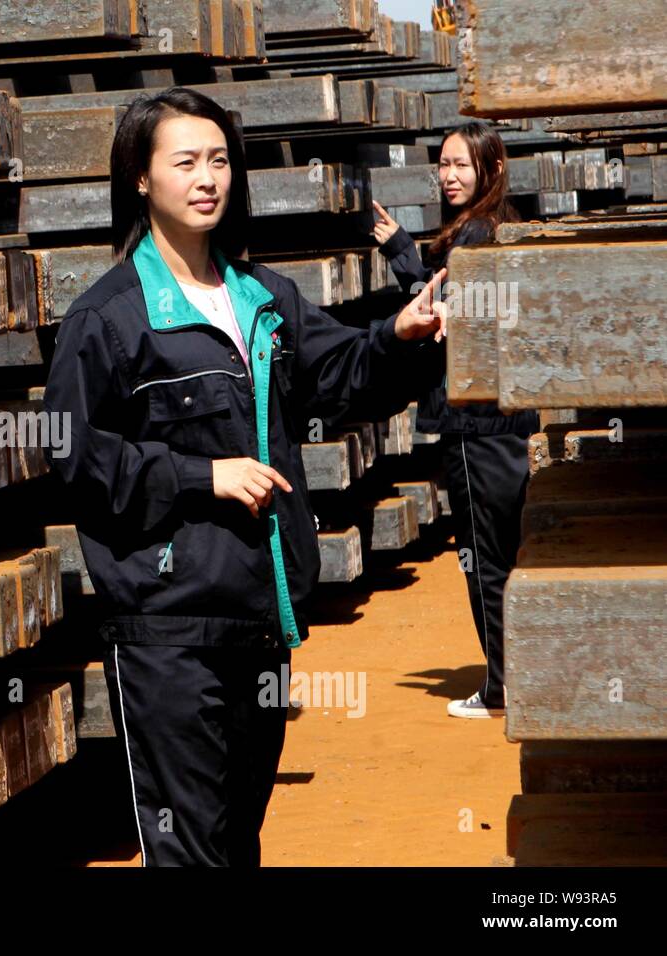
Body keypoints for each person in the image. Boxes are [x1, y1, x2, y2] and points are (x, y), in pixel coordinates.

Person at [42, 87, 449, 867]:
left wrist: (400, 334)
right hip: (168, 632)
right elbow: (73, 456)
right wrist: (201, 475)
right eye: (186, 161)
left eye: (221, 160)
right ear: (140, 178)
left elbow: (343, 375)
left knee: (236, 845)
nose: (208, 179)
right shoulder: (111, 318)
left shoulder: (262, 298)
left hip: (259, 621)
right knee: (192, 852)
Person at [371, 121, 538, 720]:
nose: (448, 175)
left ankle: (501, 689)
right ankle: (519, 675)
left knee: (485, 559)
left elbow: (444, 315)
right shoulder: (502, 226)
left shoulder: (473, 235)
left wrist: (400, 258)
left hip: (475, 423)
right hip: (509, 418)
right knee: (508, 553)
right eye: (443, 164)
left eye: (461, 165)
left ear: (490, 170)